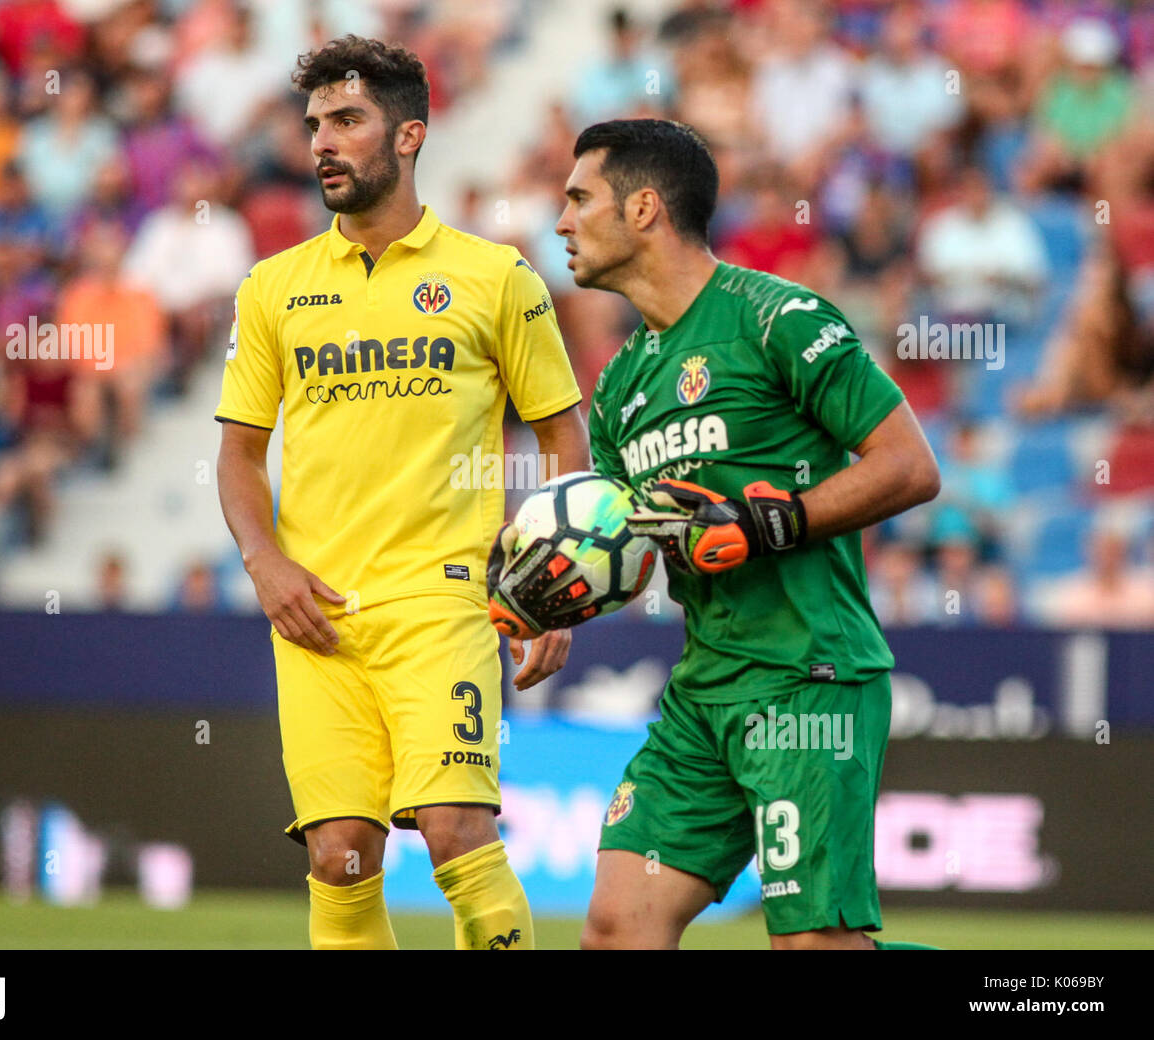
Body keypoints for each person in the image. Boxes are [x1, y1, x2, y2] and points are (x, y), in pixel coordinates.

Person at [214, 36, 589, 950]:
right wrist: (266, 566)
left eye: (347, 121)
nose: (322, 144)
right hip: (314, 614)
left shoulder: (497, 277)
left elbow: (561, 434)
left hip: (444, 602)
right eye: (313, 126)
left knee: (459, 832)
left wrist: (555, 586)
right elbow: (238, 455)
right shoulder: (273, 288)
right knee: (340, 854)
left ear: (410, 134)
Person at [551, 119, 941, 949]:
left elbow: (911, 466)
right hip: (704, 696)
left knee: (814, 947)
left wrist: (773, 523)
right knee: (616, 928)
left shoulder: (780, 318)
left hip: (808, 679)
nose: (561, 222)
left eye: (580, 198)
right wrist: (551, 591)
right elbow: (635, 547)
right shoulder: (620, 385)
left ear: (645, 207)